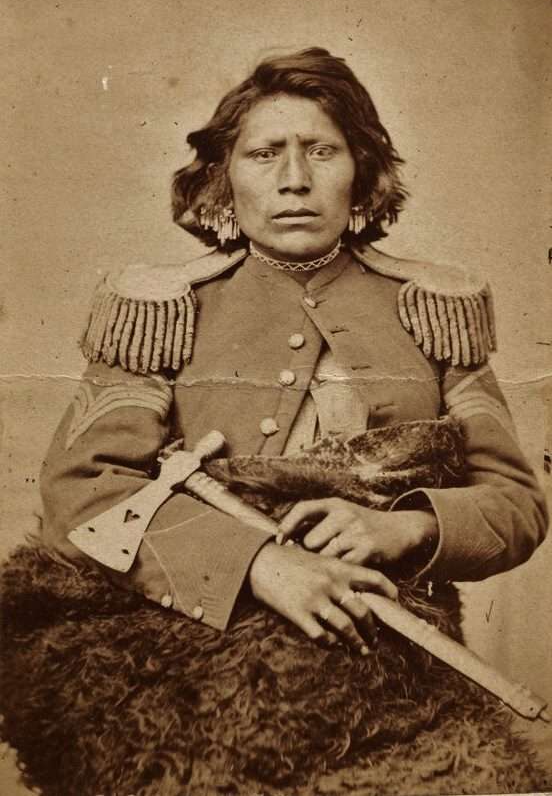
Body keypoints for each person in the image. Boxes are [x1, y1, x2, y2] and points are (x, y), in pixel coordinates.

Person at [40, 46, 548, 654]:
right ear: (224, 178)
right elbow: (81, 492)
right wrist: (258, 564)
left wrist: (405, 527)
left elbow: (516, 504)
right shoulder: (159, 312)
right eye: (264, 154)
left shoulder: (433, 310)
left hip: (386, 635)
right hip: (187, 637)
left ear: (360, 172)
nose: (294, 180)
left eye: (321, 151)